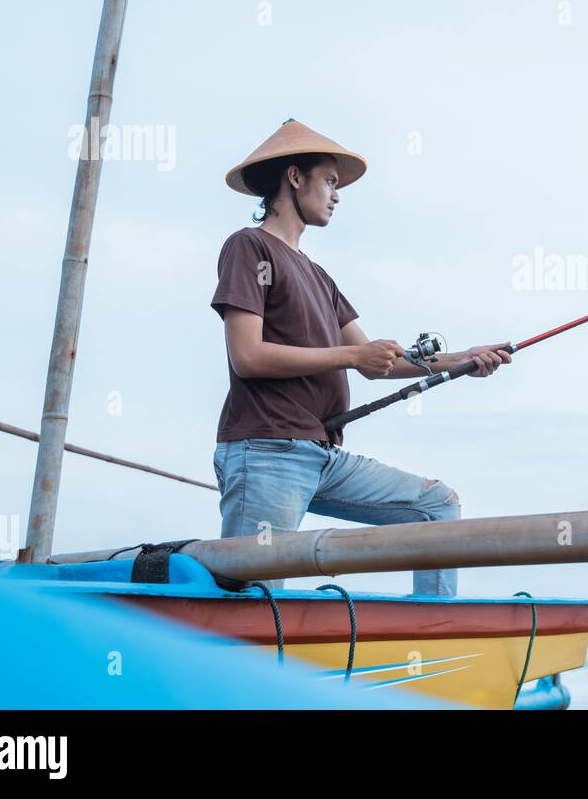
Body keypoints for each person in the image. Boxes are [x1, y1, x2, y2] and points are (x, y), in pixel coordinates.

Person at [210, 118, 511, 594]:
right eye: (329, 181)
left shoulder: (321, 277)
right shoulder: (248, 248)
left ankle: (431, 643)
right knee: (253, 600)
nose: (336, 194)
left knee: (438, 507)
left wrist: (461, 359)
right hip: (265, 452)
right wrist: (353, 355)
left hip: (323, 454)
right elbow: (247, 355)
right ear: (294, 177)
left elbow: (378, 363)